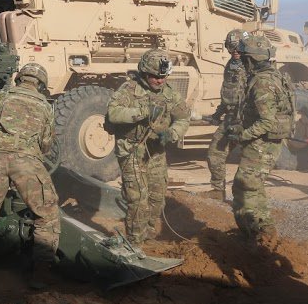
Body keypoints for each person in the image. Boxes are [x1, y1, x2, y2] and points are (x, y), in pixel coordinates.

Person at [0, 63, 60, 288]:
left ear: (19, 79)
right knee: (46, 213)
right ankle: (41, 273)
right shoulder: (45, 105)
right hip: (27, 162)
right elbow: (46, 143)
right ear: (41, 84)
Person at [106, 49, 190, 252]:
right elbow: (113, 114)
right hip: (132, 151)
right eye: (155, 76)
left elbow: (183, 118)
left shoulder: (170, 94)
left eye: (163, 77)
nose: (160, 81)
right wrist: (142, 113)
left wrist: (172, 133)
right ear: (143, 72)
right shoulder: (128, 90)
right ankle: (134, 243)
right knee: (137, 199)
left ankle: (148, 234)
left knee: (156, 196)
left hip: (156, 153)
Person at [231, 34, 294, 242]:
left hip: (261, 144)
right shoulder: (275, 75)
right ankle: (265, 231)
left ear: (251, 59)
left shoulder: (262, 82)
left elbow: (266, 122)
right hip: (267, 142)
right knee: (254, 187)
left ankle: (253, 235)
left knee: (244, 188)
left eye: (245, 58)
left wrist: (242, 135)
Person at [205, 29, 249, 202]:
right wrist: (218, 113)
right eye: (232, 49)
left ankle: (247, 199)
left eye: (238, 49)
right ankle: (217, 191)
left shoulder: (253, 66)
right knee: (214, 153)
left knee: (249, 161)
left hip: (248, 120)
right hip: (230, 118)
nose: (235, 52)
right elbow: (228, 93)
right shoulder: (230, 65)